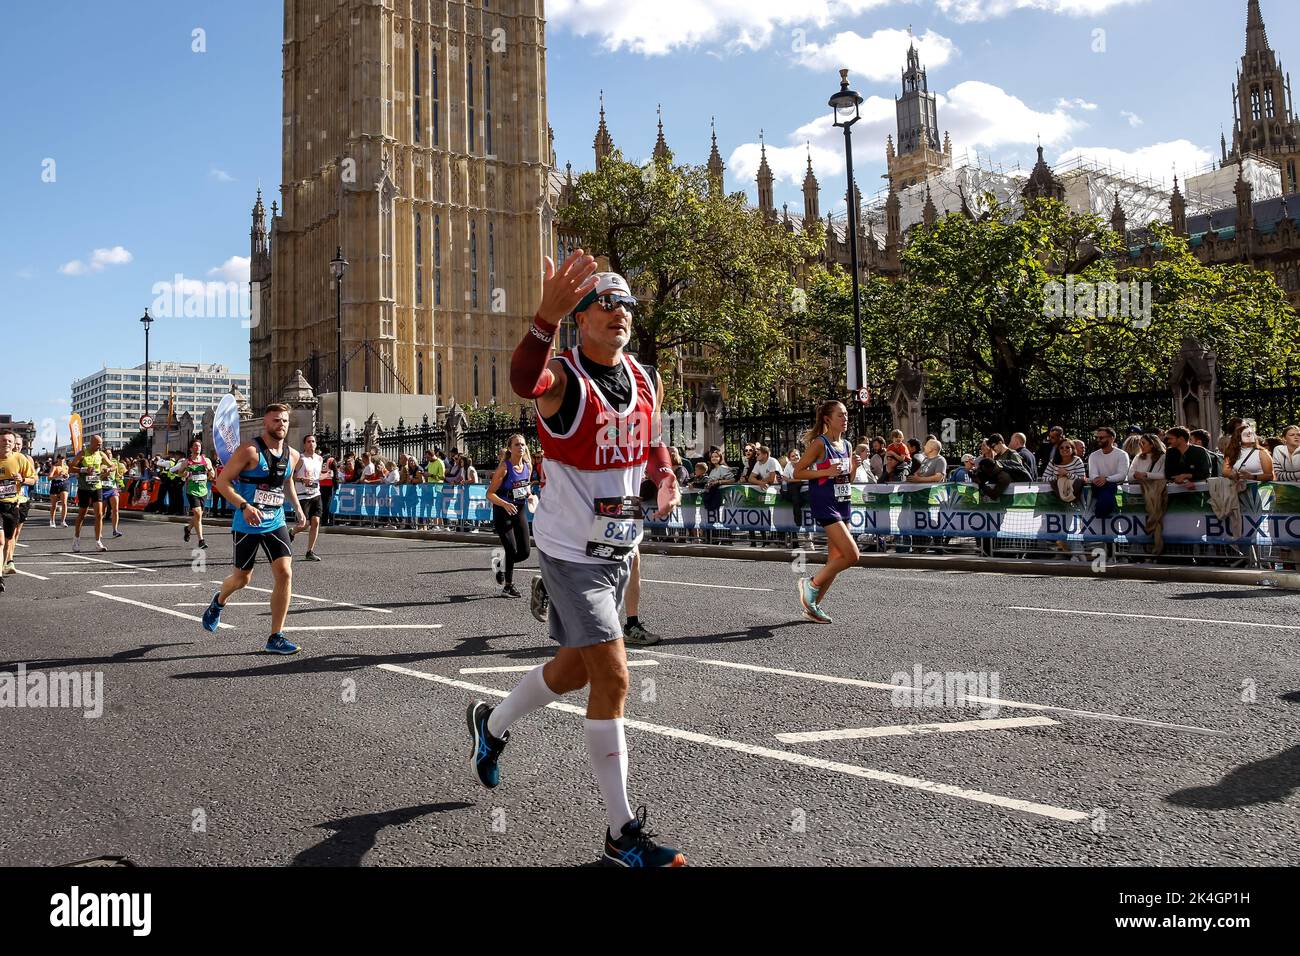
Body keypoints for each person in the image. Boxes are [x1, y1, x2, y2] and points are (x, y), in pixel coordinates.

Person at [467, 253, 686, 867]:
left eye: (627, 304)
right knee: (615, 676)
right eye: (606, 303)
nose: (620, 312)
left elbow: (656, 444)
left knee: (575, 672)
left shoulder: (646, 379)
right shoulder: (564, 379)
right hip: (568, 553)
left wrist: (664, 478)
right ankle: (622, 837)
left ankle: (492, 725)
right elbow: (520, 382)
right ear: (581, 318)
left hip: (619, 549)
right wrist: (542, 318)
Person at [202, 404, 308, 655]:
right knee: (242, 579)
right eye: (275, 420)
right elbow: (222, 482)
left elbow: (287, 481)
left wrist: (298, 508)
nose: (280, 424)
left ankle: (276, 636)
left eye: (284, 420)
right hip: (247, 521)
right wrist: (244, 506)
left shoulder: (292, 455)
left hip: (275, 520)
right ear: (265, 423)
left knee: (285, 573)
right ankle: (218, 602)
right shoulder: (249, 450)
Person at [790, 400, 861, 624]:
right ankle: (809, 584)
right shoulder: (820, 444)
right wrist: (826, 471)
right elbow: (798, 472)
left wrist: (855, 467)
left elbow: (846, 479)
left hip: (843, 502)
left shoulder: (848, 445)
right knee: (852, 555)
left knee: (836, 558)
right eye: (840, 415)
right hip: (825, 502)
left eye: (846, 414)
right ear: (827, 419)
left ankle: (812, 606)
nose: (845, 418)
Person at [486, 434, 536, 597]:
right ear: (510, 448)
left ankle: (501, 564)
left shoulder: (528, 466)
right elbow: (490, 494)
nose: (520, 447)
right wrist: (505, 503)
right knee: (511, 549)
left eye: (522, 444)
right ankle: (508, 586)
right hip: (503, 511)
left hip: (519, 510)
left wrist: (529, 495)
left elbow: (525, 486)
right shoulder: (504, 468)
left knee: (525, 552)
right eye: (517, 444)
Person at [0, 430, 36, 583]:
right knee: (0, 541)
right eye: (3, 441)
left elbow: (33, 479)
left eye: (9, 441)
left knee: (10, 539)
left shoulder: (20, 459)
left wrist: (22, 479)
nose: (6, 443)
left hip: (12, 505)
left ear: (14, 444)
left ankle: (7, 561)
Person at [70, 435, 110, 552]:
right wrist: (83, 470)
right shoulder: (82, 454)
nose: (99, 446)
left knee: (99, 514)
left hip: (96, 487)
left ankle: (98, 542)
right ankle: (76, 539)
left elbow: (112, 465)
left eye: (101, 444)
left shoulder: (101, 454)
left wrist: (108, 469)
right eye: (98, 444)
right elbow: (71, 468)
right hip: (84, 488)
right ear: (91, 443)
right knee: (82, 514)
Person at [174, 438, 216, 550]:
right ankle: (201, 540)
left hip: (203, 491)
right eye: (195, 446)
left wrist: (209, 469)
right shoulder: (187, 462)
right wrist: (185, 473)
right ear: (191, 448)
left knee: (198, 515)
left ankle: (188, 529)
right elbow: (180, 474)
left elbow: (212, 476)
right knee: (197, 513)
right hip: (191, 490)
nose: (198, 448)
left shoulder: (206, 460)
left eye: (199, 446)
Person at [294, 434, 325, 561]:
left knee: (316, 522)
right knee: (304, 524)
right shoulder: (300, 459)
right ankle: (291, 532)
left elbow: (317, 477)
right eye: (308, 441)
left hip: (316, 494)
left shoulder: (319, 459)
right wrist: (302, 479)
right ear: (304, 444)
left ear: (316, 444)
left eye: (313, 441)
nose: (311, 443)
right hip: (302, 495)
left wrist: (327, 475)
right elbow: (291, 477)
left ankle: (309, 551)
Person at [48, 455, 70, 527]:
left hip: (64, 484)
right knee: (54, 505)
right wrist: (57, 475)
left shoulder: (66, 467)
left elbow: (67, 475)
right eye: (61, 459)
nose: (62, 460)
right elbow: (49, 477)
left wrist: (67, 476)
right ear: (57, 459)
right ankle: (52, 520)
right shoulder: (54, 467)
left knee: (64, 503)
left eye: (63, 459)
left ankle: (63, 521)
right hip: (55, 484)